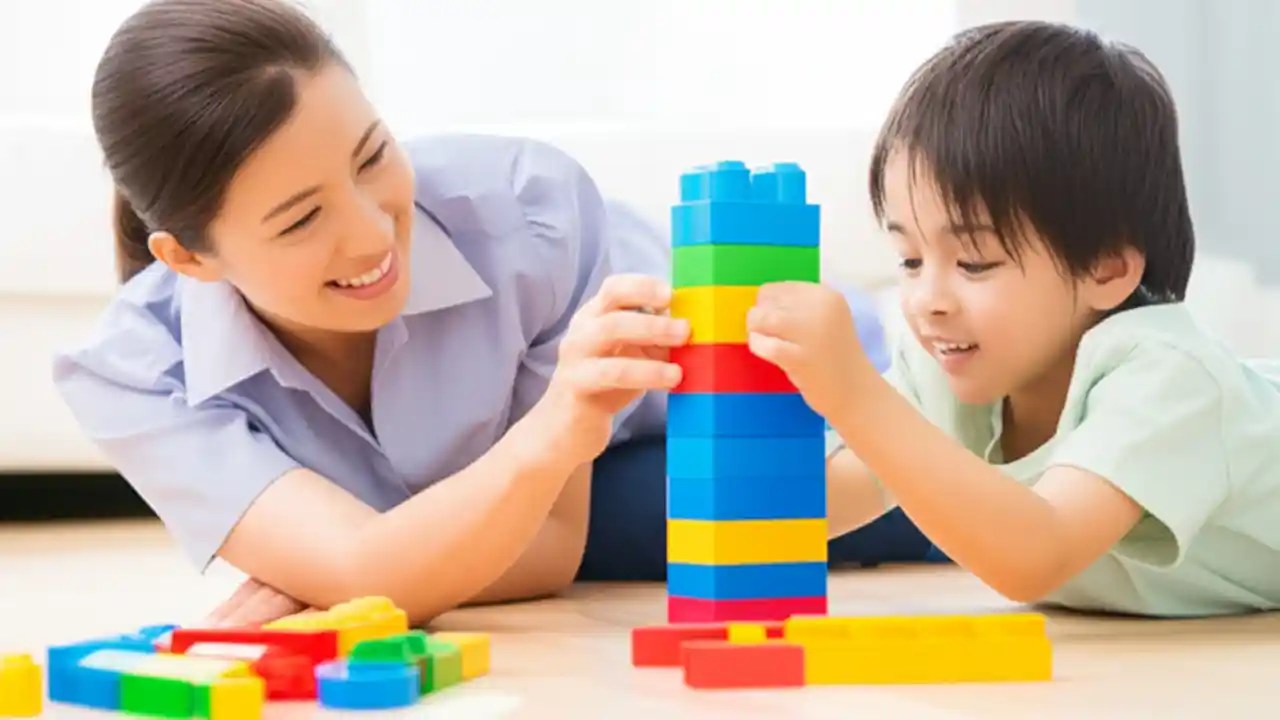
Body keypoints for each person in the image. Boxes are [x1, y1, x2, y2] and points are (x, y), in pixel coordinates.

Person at [52, 0, 689, 627]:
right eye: (302, 219)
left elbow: (547, 543)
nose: (372, 236)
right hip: (548, 472)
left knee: (737, 500)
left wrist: (354, 579)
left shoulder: (531, 210)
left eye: (373, 156)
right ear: (188, 257)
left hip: (670, 416)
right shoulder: (135, 371)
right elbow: (369, 567)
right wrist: (367, 573)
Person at [749, 20, 1280, 617]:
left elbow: (1035, 555)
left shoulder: (1170, 378)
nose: (928, 299)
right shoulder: (945, 366)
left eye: (974, 262)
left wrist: (852, 393)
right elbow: (798, 509)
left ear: (1105, 268)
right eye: (910, 259)